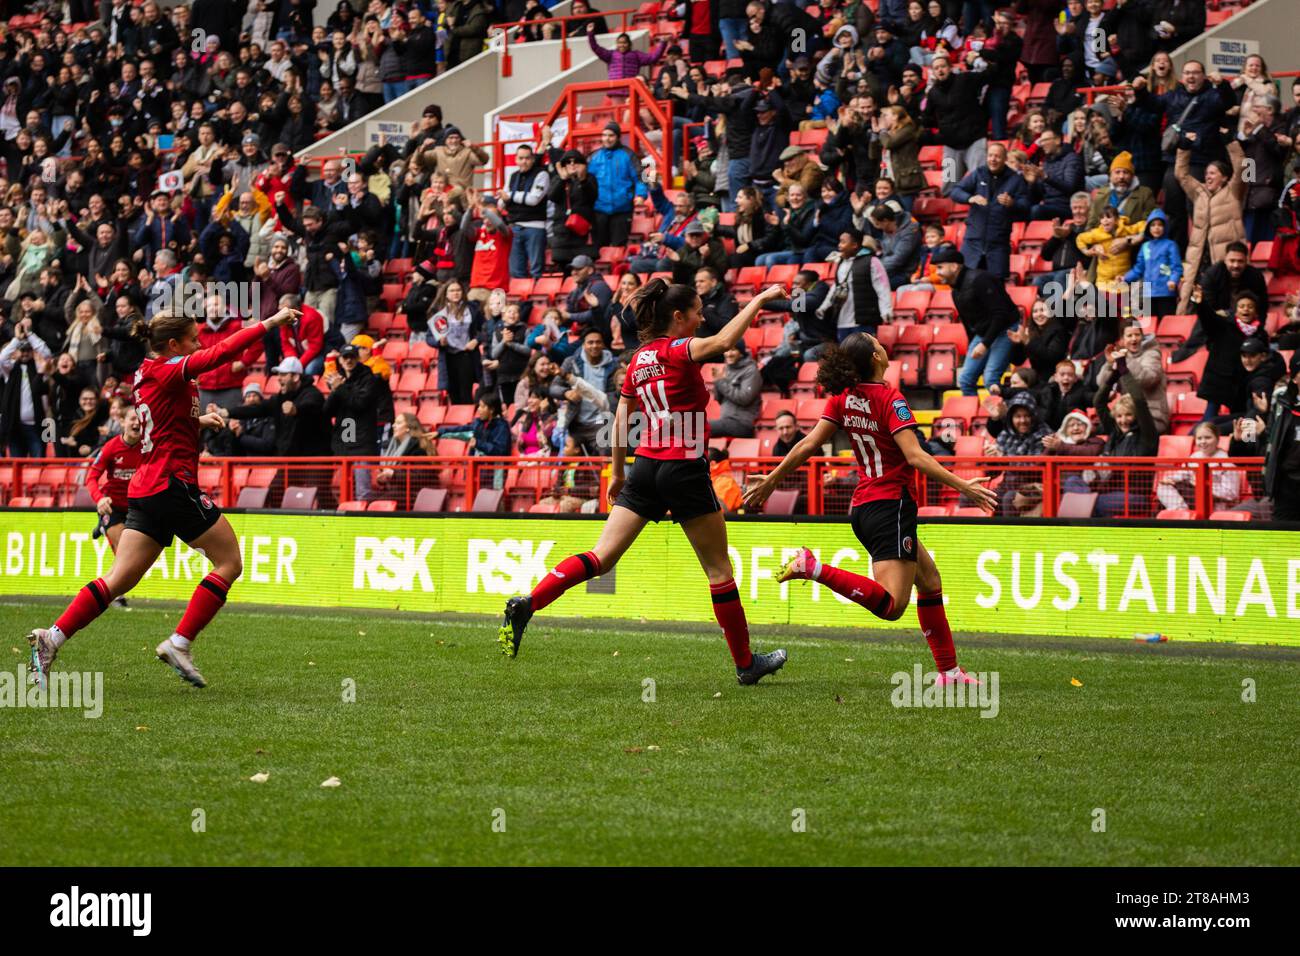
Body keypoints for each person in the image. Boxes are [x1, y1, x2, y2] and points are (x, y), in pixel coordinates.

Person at [498, 280, 790, 686]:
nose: (702, 317)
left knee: (602, 556)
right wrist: (758, 299)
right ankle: (745, 664)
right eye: (698, 311)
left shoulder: (638, 360)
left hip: (645, 466)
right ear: (678, 317)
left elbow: (622, 421)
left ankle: (530, 601)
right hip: (683, 466)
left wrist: (618, 472)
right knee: (719, 571)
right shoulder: (676, 349)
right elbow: (723, 341)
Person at [27, 305, 300, 691]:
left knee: (119, 579)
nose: (198, 344)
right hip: (171, 484)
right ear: (172, 345)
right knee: (229, 562)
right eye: (191, 339)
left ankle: (50, 638)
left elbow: (162, 415)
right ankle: (179, 642)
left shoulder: (147, 370)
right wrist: (269, 324)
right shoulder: (170, 368)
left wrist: (197, 421)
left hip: (146, 487)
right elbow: (219, 354)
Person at [744, 332, 998, 685]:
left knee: (930, 582)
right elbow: (915, 456)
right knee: (893, 606)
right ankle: (814, 568)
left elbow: (809, 445)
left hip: (865, 507)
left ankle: (949, 672)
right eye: (875, 342)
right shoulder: (890, 399)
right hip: (891, 505)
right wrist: (963, 485)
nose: (880, 343)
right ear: (877, 357)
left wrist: (771, 479)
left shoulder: (841, 399)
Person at [932, 248, 1022, 396]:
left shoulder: (980, 279)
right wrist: (974, 344)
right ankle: (977, 417)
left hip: (1006, 330)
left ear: (955, 266)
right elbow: (968, 323)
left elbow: (1001, 314)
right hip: (983, 333)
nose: (938, 272)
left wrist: (985, 344)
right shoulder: (955, 291)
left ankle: (1000, 416)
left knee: (990, 379)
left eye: (940, 267)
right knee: (966, 380)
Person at [85, 406, 145, 607]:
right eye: (131, 419)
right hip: (113, 507)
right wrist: (99, 498)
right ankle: (116, 595)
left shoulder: (149, 447)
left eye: (139, 419)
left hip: (137, 507)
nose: (136, 423)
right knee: (123, 549)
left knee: (134, 554)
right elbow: (91, 477)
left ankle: (111, 590)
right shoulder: (111, 447)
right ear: (122, 422)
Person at [1156, 421, 1243, 513]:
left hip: (1214, 503)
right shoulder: (1194, 457)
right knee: (1163, 486)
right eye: (1199, 438)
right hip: (1192, 498)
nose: (1203, 442)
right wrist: (1169, 479)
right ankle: (1181, 512)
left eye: (1208, 438)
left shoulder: (1227, 461)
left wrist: (1203, 487)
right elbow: (1181, 475)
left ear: (1217, 439)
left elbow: (1232, 493)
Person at [709, 340, 761, 438]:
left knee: (698, 427)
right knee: (690, 426)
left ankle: (689, 453)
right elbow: (719, 399)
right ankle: (686, 453)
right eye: (726, 351)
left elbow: (744, 398)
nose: (728, 354)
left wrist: (721, 382)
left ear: (741, 353)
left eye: (733, 350)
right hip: (726, 420)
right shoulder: (727, 368)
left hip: (741, 423)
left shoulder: (751, 371)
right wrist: (717, 381)